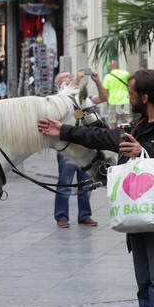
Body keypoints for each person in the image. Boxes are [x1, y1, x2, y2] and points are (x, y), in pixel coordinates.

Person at [39, 68, 154, 307]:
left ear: (145, 97)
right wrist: (61, 131)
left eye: (131, 93)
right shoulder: (138, 123)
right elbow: (101, 135)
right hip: (138, 213)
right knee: (145, 282)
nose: (127, 97)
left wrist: (147, 151)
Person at [50, 71, 97, 229]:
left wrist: (96, 82)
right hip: (67, 148)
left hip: (84, 146)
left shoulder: (81, 99)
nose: (69, 77)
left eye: (71, 76)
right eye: (65, 77)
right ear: (58, 84)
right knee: (65, 182)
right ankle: (61, 216)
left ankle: (85, 215)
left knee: (85, 182)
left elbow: (102, 98)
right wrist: (76, 81)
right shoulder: (55, 100)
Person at [102, 59, 131, 128]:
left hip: (113, 101)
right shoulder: (126, 74)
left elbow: (105, 91)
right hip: (125, 100)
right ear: (118, 66)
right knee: (128, 120)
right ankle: (131, 134)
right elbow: (131, 86)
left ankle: (114, 136)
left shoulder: (108, 77)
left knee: (113, 121)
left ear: (111, 67)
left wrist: (107, 101)